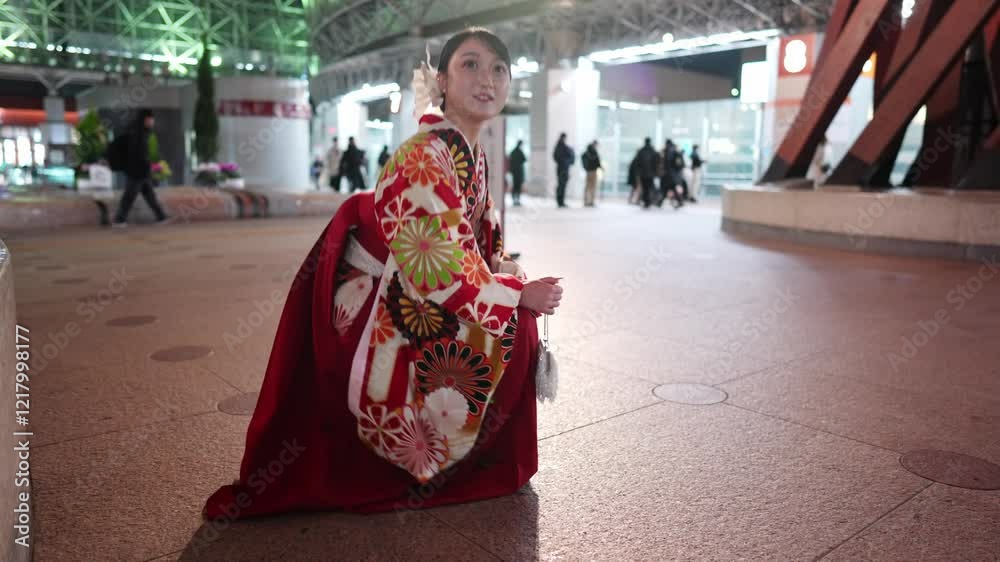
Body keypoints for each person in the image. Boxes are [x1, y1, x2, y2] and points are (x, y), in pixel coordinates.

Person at [203, 27, 564, 520]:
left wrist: (506, 273)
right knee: (513, 328)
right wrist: (516, 294)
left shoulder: (466, 153)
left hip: (418, 288)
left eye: (499, 69)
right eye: (471, 65)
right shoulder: (422, 156)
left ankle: (479, 462)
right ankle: (454, 467)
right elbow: (438, 268)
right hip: (387, 310)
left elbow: (473, 246)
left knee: (512, 317)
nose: (488, 79)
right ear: (443, 80)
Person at [111, 109, 170, 227]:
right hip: (137, 170)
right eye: (151, 119)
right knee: (130, 196)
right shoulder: (138, 133)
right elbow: (139, 153)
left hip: (140, 170)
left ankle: (161, 216)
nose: (152, 122)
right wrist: (147, 164)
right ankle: (119, 220)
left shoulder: (139, 131)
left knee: (149, 195)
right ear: (146, 119)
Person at [636, 138, 659, 209]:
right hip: (651, 173)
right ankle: (649, 201)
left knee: (645, 188)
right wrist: (655, 171)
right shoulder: (653, 151)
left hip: (643, 173)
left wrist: (638, 172)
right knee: (649, 187)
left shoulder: (641, 151)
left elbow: (638, 163)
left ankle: (646, 201)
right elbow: (656, 162)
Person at [552, 133, 574, 208]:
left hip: (564, 168)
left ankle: (561, 201)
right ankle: (560, 201)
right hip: (562, 169)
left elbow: (571, 159)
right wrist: (564, 161)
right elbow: (556, 157)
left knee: (562, 185)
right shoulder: (561, 147)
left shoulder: (563, 147)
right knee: (561, 185)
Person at [581, 140, 602, 207]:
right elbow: (597, 161)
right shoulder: (592, 152)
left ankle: (587, 201)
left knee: (588, 186)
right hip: (592, 171)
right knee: (591, 186)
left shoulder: (588, 151)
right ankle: (590, 201)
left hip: (590, 170)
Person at [509, 140, 526, 206]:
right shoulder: (519, 152)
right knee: (517, 186)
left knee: (515, 186)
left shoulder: (513, 152)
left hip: (514, 172)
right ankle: (516, 199)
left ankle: (514, 199)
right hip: (518, 172)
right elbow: (524, 159)